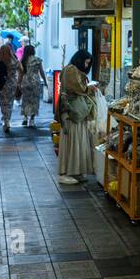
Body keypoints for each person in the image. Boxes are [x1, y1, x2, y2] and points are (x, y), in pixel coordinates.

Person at [57, 49, 96, 185]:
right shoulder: (71, 70)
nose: (86, 66)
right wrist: (90, 88)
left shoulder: (72, 70)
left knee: (77, 140)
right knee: (72, 141)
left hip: (75, 112)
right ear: (80, 59)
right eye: (86, 62)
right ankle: (64, 173)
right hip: (71, 112)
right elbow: (79, 88)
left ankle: (75, 171)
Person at [20, 44, 48, 126]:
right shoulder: (37, 60)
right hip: (35, 81)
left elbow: (21, 73)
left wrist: (19, 82)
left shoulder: (23, 60)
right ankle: (32, 120)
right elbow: (41, 72)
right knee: (34, 101)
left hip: (25, 81)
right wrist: (45, 81)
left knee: (25, 99)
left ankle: (25, 117)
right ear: (33, 51)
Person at [0, 42, 21, 135]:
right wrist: (18, 80)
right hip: (12, 84)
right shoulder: (14, 60)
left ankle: (5, 119)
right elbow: (21, 70)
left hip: (2, 84)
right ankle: (7, 121)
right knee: (10, 103)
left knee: (3, 103)